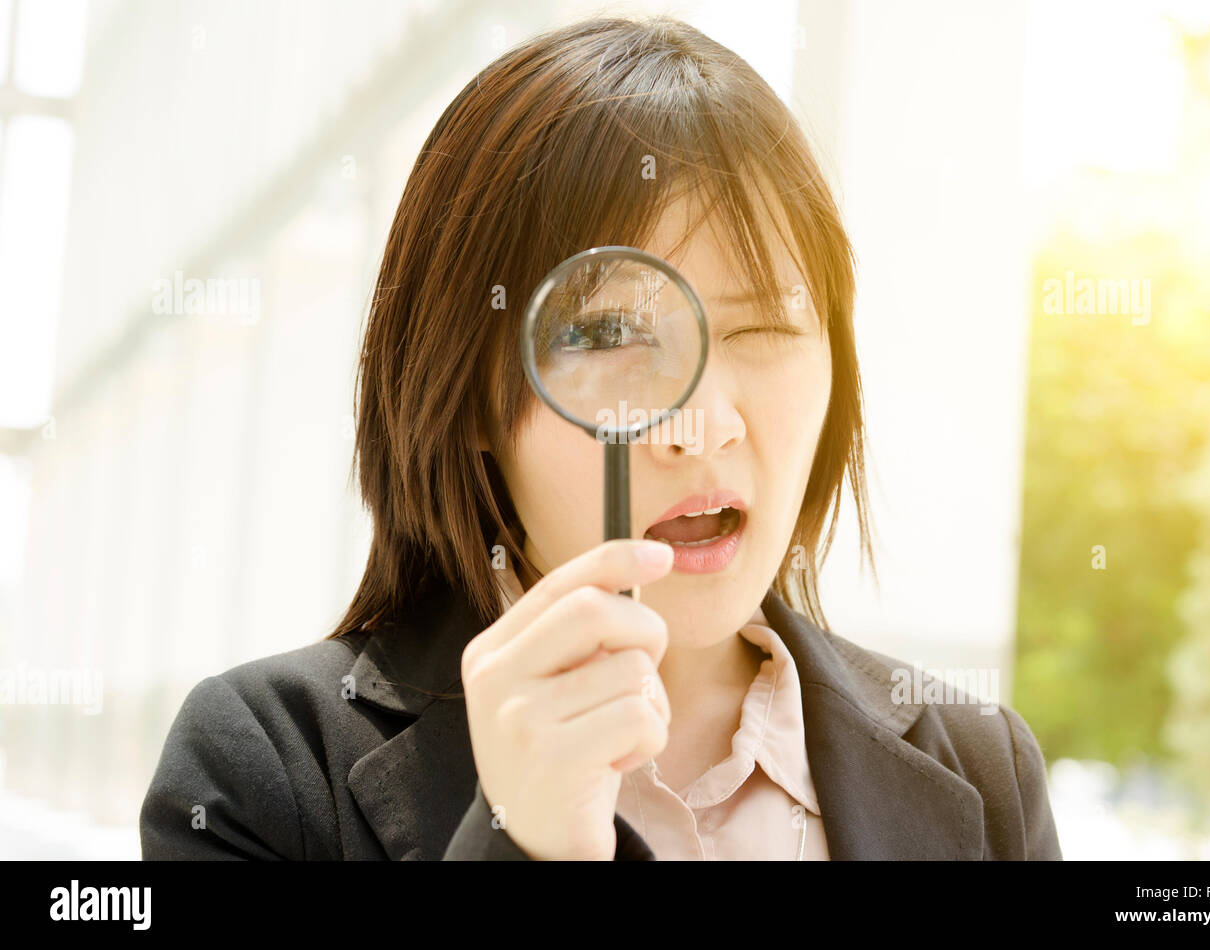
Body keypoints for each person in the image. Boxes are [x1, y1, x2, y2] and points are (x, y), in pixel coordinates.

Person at [140, 14, 1062, 861]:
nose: (703, 423)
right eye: (607, 335)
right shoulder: (261, 768)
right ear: (464, 395)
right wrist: (524, 842)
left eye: (762, 330)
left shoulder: (984, 768)